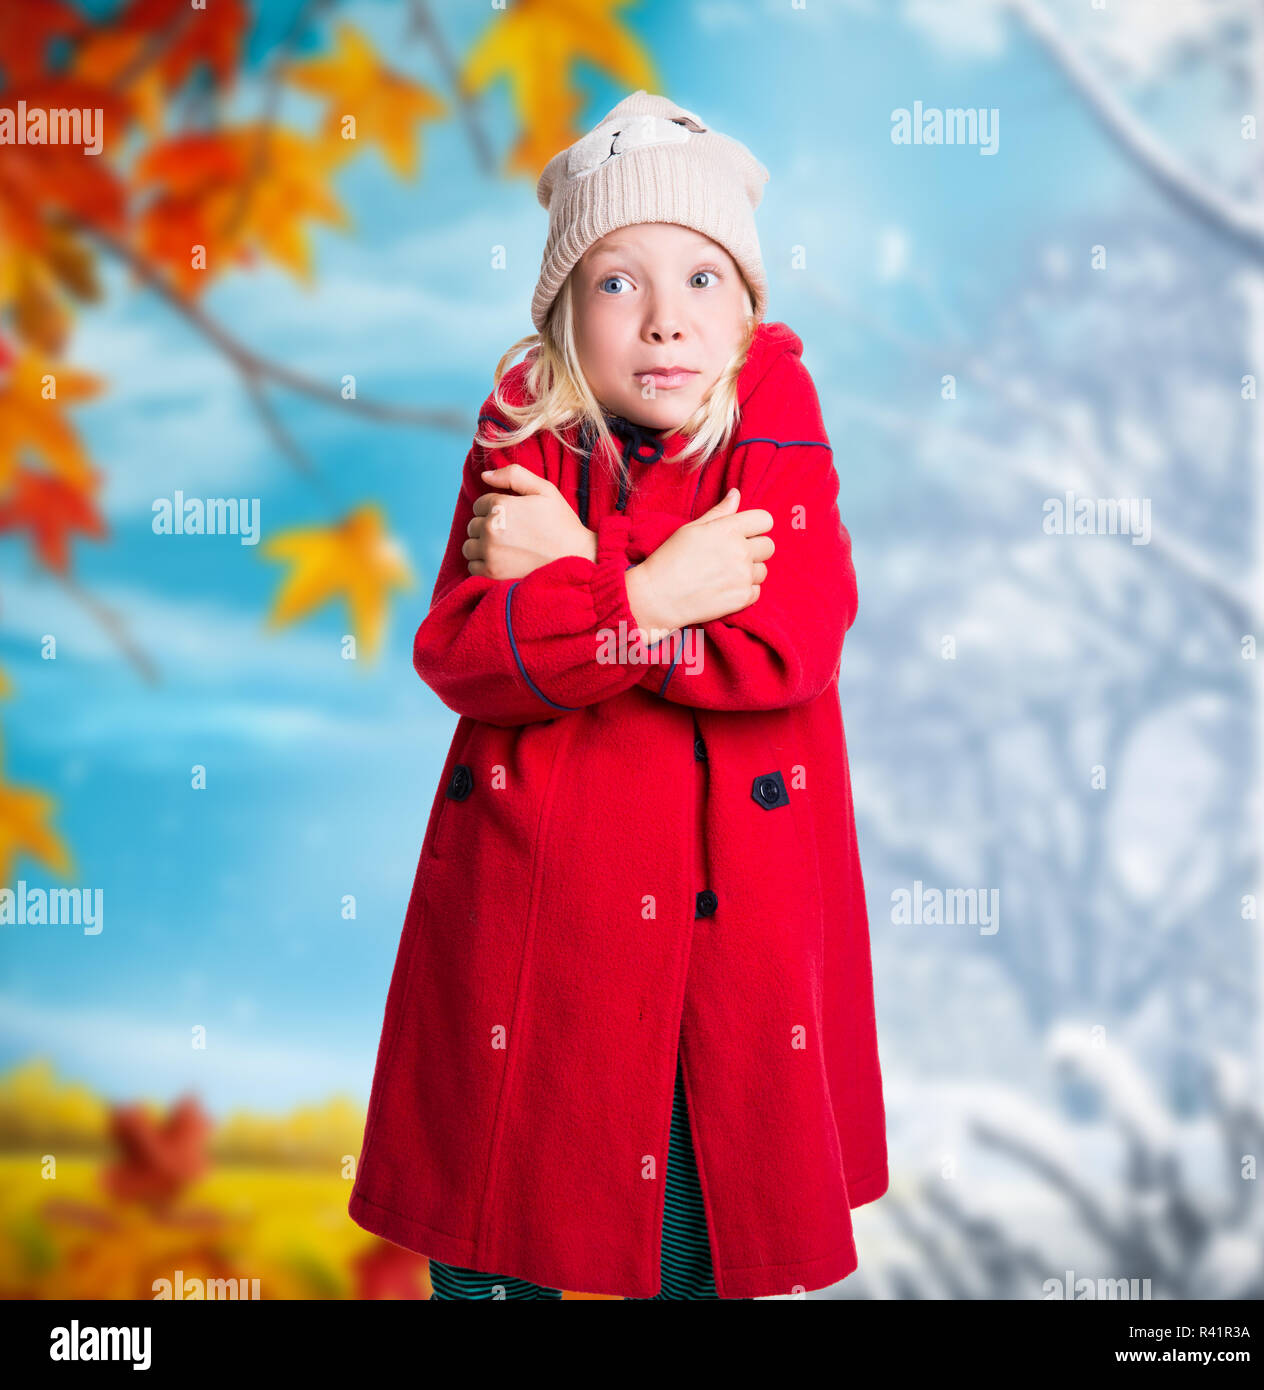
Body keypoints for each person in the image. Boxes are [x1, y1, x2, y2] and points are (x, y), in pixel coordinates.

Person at [348, 90, 889, 1301]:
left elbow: (782, 646)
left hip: (717, 932)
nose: (662, 322)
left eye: (702, 280)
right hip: (527, 910)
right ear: (560, 314)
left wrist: (580, 585)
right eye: (615, 282)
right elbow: (463, 656)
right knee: (491, 1226)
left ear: (748, 309)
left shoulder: (777, 422)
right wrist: (650, 594)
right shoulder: (522, 432)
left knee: (698, 1230)